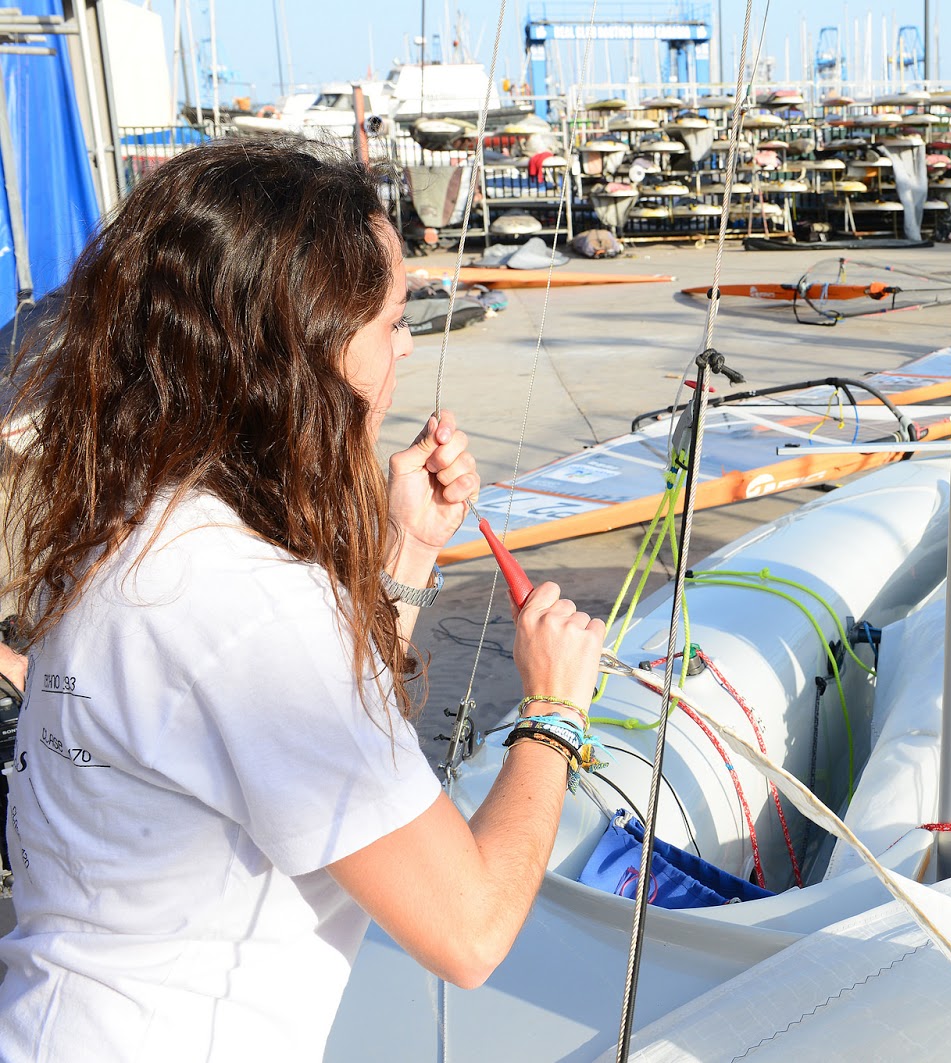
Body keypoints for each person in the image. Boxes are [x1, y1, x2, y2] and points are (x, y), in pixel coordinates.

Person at [0, 137, 606, 1061]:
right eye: (393, 320)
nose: (407, 346)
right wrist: (553, 711)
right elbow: (471, 928)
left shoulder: (126, 525)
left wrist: (407, 550)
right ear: (312, 348)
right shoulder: (248, 602)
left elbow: (317, 736)